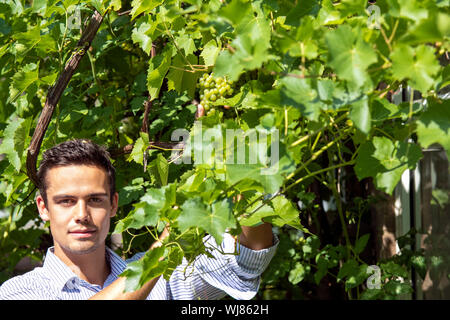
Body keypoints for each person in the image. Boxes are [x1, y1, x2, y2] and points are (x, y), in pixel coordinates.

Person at [0, 139, 278, 300]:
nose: (82, 215)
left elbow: (248, 258)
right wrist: (167, 243)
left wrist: (240, 171)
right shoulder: (21, 291)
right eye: (66, 201)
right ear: (43, 208)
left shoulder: (167, 279)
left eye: (95, 199)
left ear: (114, 204)